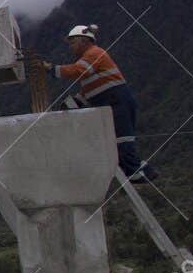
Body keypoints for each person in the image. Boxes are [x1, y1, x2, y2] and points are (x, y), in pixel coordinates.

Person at [51, 25, 156, 183]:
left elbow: (77, 71)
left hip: (116, 100)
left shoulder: (94, 53)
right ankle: (143, 171)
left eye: (73, 42)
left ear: (83, 41)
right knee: (117, 141)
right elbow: (90, 90)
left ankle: (136, 173)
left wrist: (51, 69)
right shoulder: (89, 60)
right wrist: (75, 103)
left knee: (122, 139)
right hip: (112, 101)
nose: (71, 47)